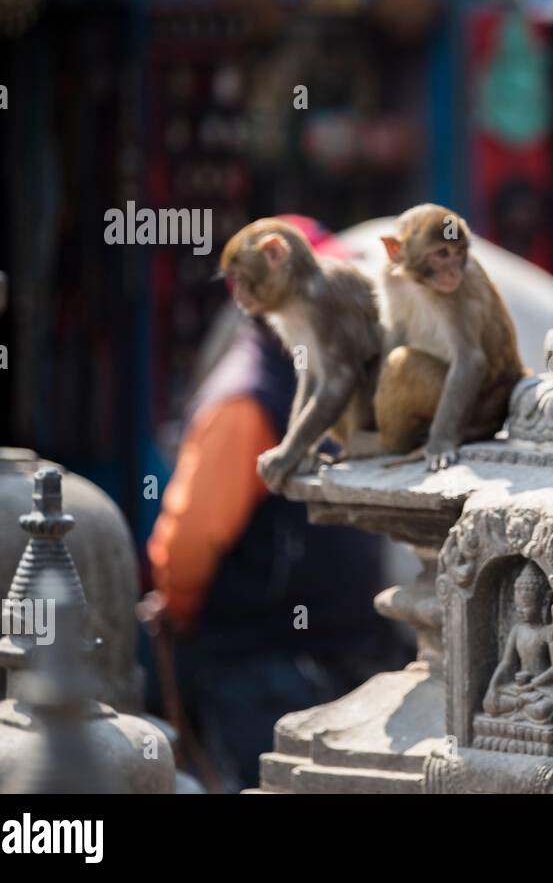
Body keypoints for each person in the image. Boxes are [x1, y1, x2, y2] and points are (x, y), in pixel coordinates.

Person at [143, 215, 408, 792]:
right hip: (264, 666)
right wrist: (181, 609)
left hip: (340, 659)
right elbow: (186, 545)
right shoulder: (245, 400)